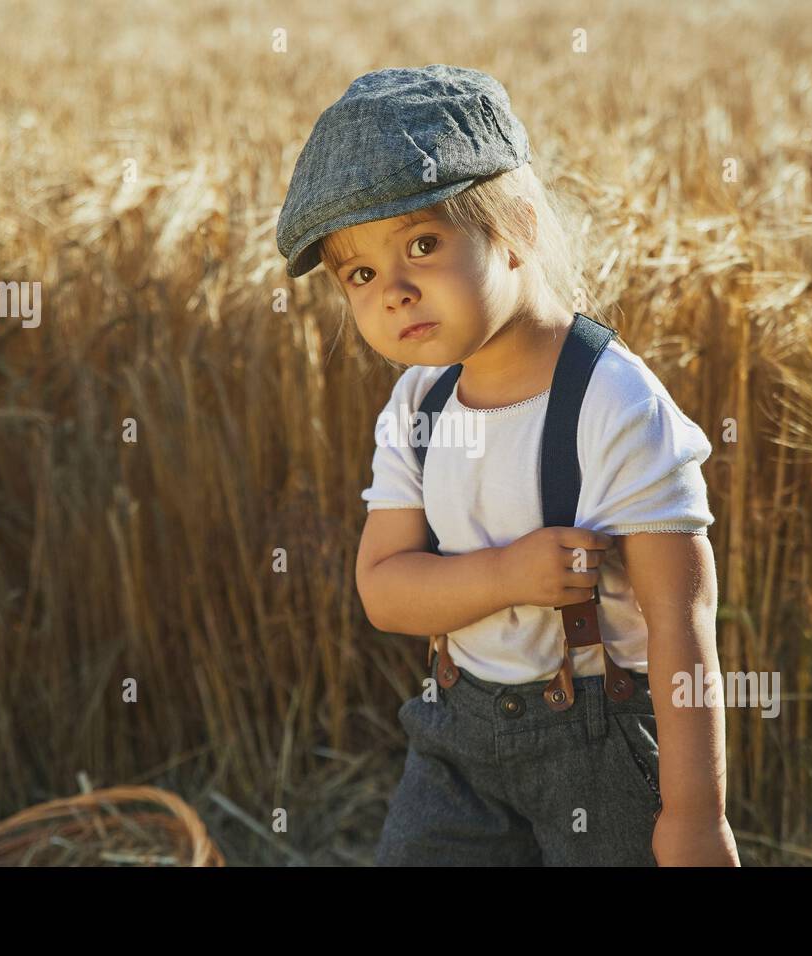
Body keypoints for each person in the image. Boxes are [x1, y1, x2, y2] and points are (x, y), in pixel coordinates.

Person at [277, 64, 740, 866]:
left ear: (517, 226)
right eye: (360, 274)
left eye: (423, 245)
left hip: (599, 747)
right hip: (456, 745)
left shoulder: (614, 404)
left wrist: (694, 816)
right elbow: (385, 589)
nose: (394, 292)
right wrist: (510, 575)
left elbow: (682, 620)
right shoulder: (418, 407)